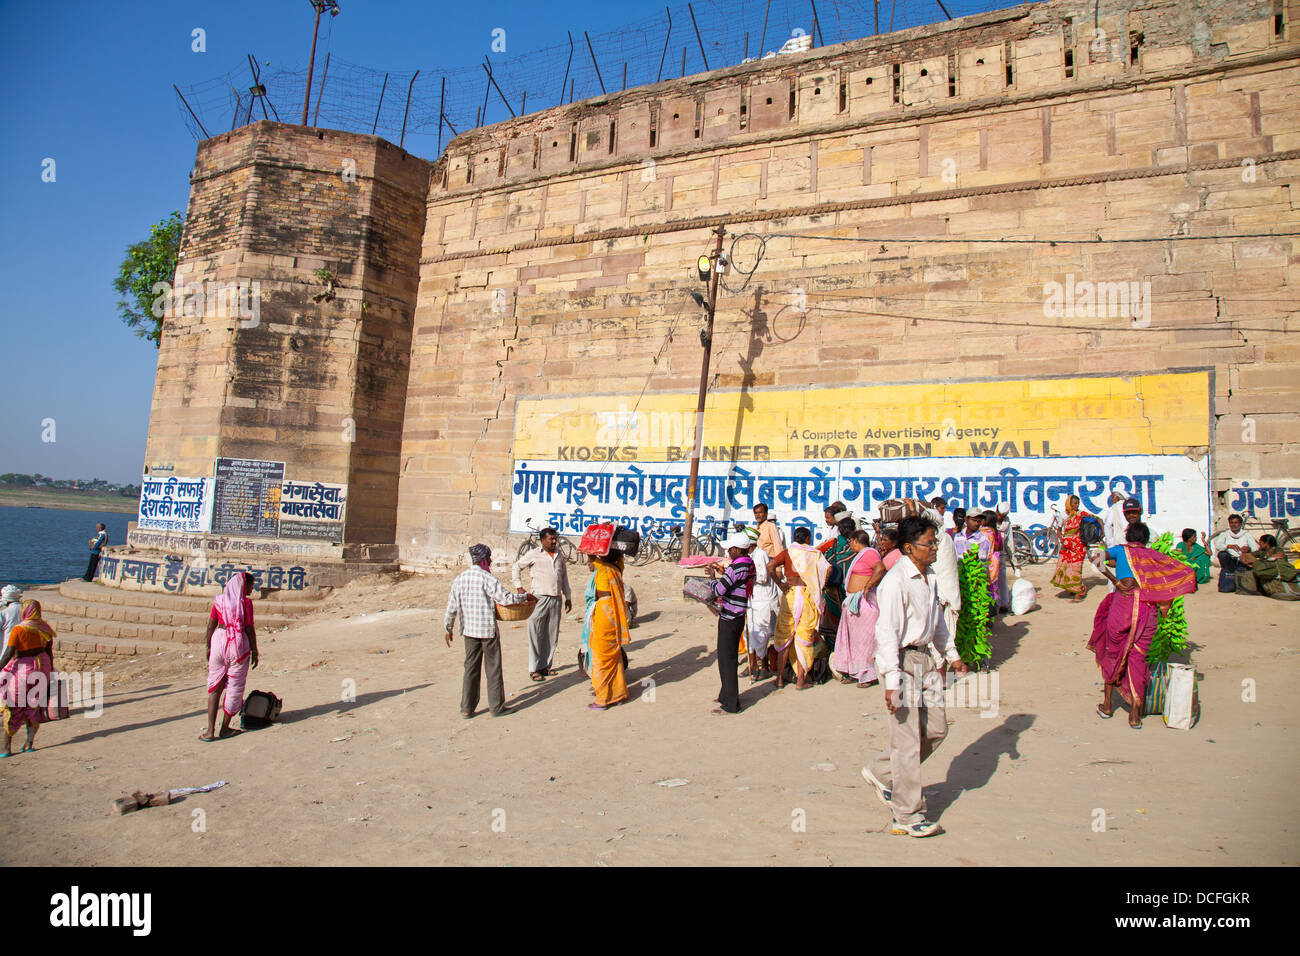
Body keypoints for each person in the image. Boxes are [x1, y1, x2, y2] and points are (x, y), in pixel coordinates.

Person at [861, 516, 967, 838]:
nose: (935, 548)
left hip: (925, 660)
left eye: (935, 542)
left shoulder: (930, 577)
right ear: (910, 548)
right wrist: (891, 683)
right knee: (906, 741)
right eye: (929, 543)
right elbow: (887, 633)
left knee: (936, 728)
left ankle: (882, 771)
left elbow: (937, 623)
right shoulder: (896, 581)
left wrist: (952, 654)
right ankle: (906, 814)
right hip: (901, 661)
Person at [1091, 523, 1196, 729]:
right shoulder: (1153, 556)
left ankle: (1107, 706)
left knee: (1113, 653)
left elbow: (1096, 558)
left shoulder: (1120, 550)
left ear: (1127, 536)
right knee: (1138, 658)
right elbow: (1178, 574)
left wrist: (1116, 581)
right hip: (1147, 609)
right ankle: (1135, 716)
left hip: (1123, 605)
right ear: (1146, 539)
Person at [444, 544, 533, 718]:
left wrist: (448, 628)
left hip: (469, 631)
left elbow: (451, 607)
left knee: (470, 668)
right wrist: (524, 596)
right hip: (487, 631)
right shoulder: (487, 578)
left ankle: (467, 708)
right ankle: (496, 707)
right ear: (484, 559)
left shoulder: (460, 579)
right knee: (493, 669)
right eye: (489, 558)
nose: (491, 561)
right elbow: (505, 599)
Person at [770, 527, 831, 690]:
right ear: (808, 538)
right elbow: (828, 569)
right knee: (804, 636)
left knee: (784, 637)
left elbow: (770, 566)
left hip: (790, 594)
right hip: (807, 596)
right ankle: (800, 680)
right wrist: (819, 585)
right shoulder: (814, 553)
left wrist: (780, 584)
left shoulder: (789, 552)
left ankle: (780, 679)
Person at [200, 572, 259, 741]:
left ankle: (210, 731)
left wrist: (208, 647)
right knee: (235, 687)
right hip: (238, 646)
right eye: (250, 585)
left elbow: (211, 624)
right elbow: (249, 628)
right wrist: (255, 650)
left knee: (215, 687)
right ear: (243, 586)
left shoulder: (218, 601)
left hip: (218, 641)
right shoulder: (245, 604)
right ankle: (225, 728)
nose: (252, 589)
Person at [512, 527, 572, 682]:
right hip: (539, 598)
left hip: (556, 598)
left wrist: (568, 597)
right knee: (535, 633)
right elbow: (516, 567)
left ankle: (546, 666)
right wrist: (519, 587)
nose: (554, 541)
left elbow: (564, 577)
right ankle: (534, 669)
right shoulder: (534, 554)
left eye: (555, 538)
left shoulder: (559, 555)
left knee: (552, 635)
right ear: (542, 540)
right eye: (551, 539)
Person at [708, 532, 756, 713]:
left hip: (730, 616)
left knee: (727, 659)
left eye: (731, 549)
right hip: (738, 614)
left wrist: (713, 577)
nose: (729, 552)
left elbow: (719, 590)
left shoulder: (736, 567)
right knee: (727, 657)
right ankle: (725, 694)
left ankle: (731, 703)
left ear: (737, 550)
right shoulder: (747, 564)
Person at [0, 600, 56, 757]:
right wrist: (50, 670)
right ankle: (28, 744)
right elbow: (49, 652)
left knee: (13, 705)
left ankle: (6, 747)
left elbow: (8, 654)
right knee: (33, 706)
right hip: (42, 666)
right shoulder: (45, 628)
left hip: (23, 669)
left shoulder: (19, 630)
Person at [831, 530, 884, 686]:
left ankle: (868, 675)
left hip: (864, 604)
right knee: (855, 641)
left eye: (850, 543)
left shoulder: (869, 553)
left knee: (864, 642)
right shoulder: (863, 555)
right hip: (855, 603)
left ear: (855, 541)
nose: (849, 546)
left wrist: (868, 586)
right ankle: (855, 672)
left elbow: (879, 568)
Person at [587, 550, 632, 711]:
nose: (588, 563)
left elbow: (592, 556)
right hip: (614, 615)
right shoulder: (618, 567)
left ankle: (604, 698)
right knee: (614, 657)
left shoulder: (603, 567)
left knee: (601, 658)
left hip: (604, 615)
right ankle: (618, 693)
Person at [923, 506, 962, 648]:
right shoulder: (945, 538)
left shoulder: (939, 539)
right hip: (943, 594)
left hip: (942, 595)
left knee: (940, 641)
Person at [745, 529, 780, 682]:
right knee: (750, 633)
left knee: (761, 634)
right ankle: (754, 665)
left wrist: (744, 574)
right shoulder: (750, 555)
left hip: (762, 601)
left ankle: (762, 666)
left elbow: (762, 577)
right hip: (753, 600)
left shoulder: (760, 555)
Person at [819, 516, 857, 638]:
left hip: (834, 587)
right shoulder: (858, 543)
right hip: (852, 589)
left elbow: (820, 555)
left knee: (834, 619)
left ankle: (835, 648)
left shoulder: (833, 543)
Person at [1050, 494, 1093, 602]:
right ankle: (1072, 589)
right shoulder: (1063, 515)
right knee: (1067, 568)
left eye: (1078, 503)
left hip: (1079, 546)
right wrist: (1062, 541)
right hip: (1067, 547)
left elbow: (1094, 519)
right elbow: (1059, 530)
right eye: (1074, 503)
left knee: (1076, 569)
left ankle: (1078, 594)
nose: (1076, 505)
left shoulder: (1081, 514)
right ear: (1069, 503)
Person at [1240, 535, 1300, 600]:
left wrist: (1258, 562)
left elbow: (1277, 557)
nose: (1259, 544)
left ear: (1266, 543)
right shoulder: (1263, 551)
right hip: (1269, 569)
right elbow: (1250, 555)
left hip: (1276, 572)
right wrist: (1244, 557)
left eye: (1261, 542)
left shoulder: (1277, 550)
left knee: (1259, 571)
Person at [1210, 514, 1257, 593]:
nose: (1233, 525)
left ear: (1240, 524)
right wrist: (1229, 546)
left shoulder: (1246, 535)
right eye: (1231, 523)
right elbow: (1218, 545)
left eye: (1236, 523)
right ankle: (1229, 576)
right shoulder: (1225, 534)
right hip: (1230, 561)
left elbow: (1255, 548)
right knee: (1222, 554)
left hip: (1242, 561)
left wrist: (1248, 549)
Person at [979, 512, 1002, 609]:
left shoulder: (983, 532)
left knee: (984, 588)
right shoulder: (996, 532)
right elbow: (999, 547)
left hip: (987, 561)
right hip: (995, 561)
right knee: (992, 587)